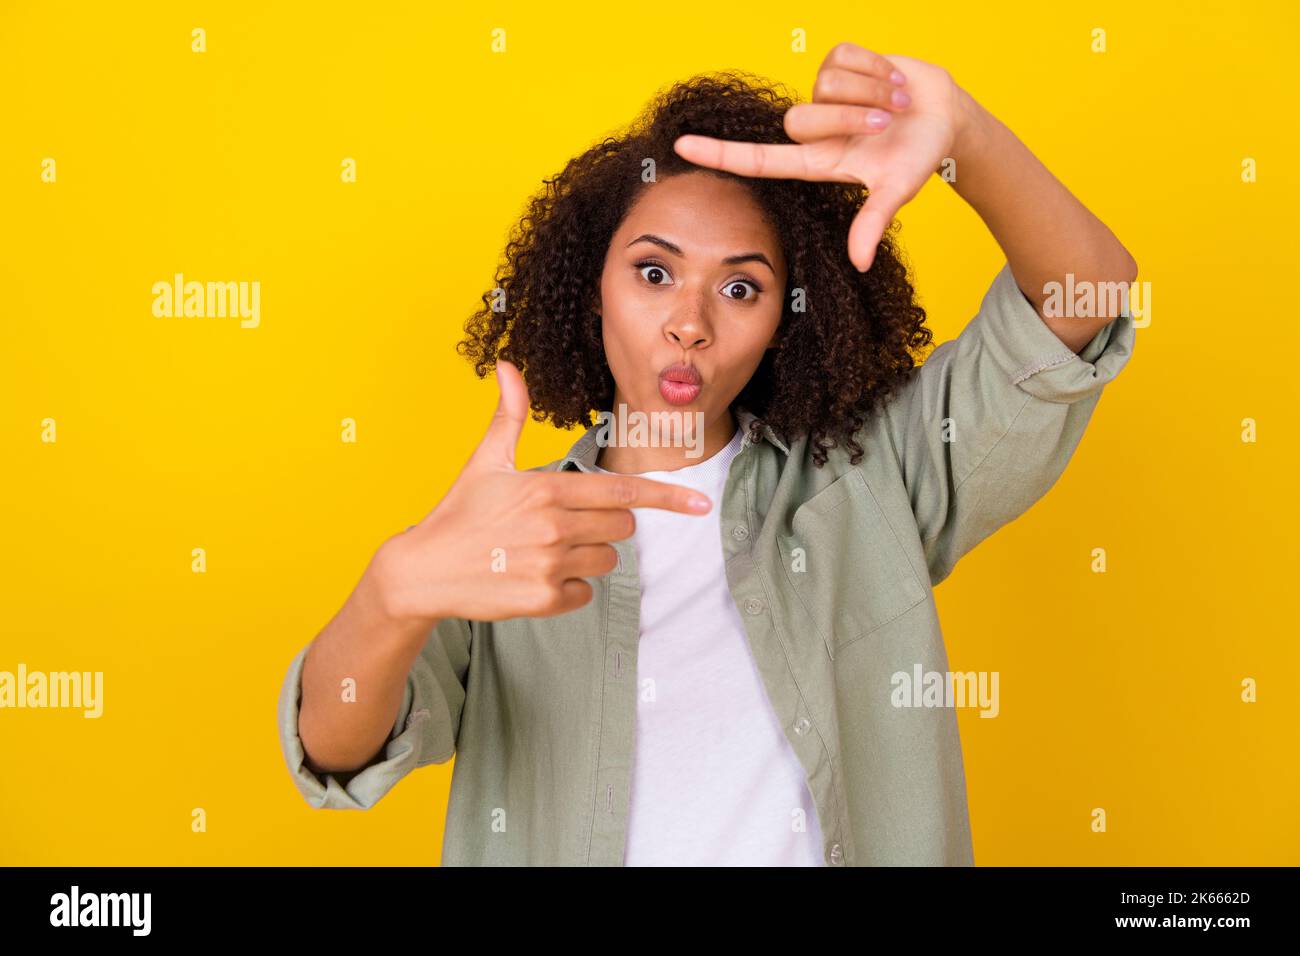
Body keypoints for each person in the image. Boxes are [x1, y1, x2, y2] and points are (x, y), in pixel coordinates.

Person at [277, 42, 1137, 866]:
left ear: (787, 322)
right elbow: (333, 747)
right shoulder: (507, 534)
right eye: (654, 273)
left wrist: (967, 140)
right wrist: (394, 591)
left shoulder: (874, 480)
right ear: (593, 294)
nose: (690, 321)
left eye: (740, 287)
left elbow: (1084, 302)